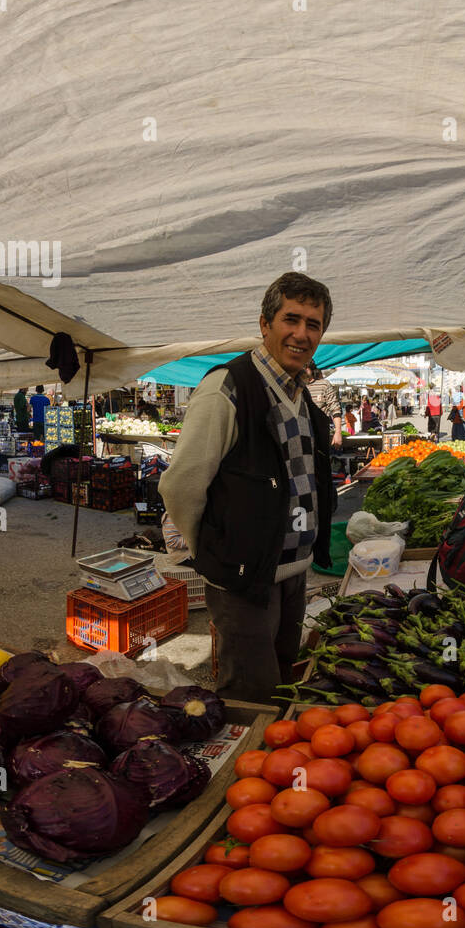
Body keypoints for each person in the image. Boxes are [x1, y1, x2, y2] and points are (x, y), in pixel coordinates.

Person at [158, 271, 335, 704]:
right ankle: (245, 768)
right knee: (250, 695)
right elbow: (181, 484)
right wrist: (213, 549)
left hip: (294, 572)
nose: (301, 334)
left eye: (313, 324)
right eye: (291, 320)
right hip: (243, 578)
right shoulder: (227, 388)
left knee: (282, 679)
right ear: (264, 324)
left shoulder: (302, 394)